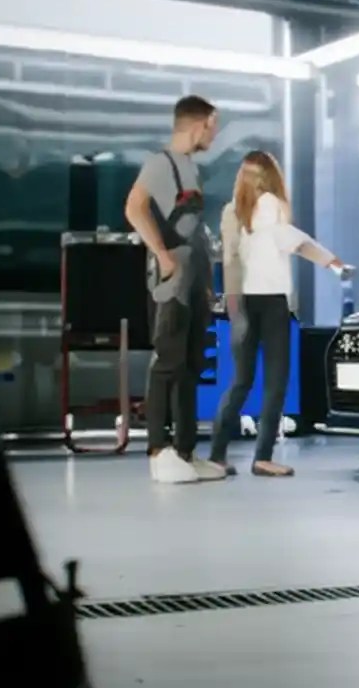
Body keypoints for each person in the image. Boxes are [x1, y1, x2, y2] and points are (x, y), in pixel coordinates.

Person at [210, 150, 348, 477]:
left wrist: (232, 306)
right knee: (275, 382)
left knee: (240, 381)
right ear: (271, 177)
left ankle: (216, 455)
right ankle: (262, 457)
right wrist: (332, 261)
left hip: (242, 301)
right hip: (271, 302)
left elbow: (228, 261)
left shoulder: (231, 212)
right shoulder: (273, 205)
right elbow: (296, 243)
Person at [124, 95, 226, 484]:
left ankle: (185, 451)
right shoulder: (159, 163)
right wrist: (162, 254)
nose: (214, 135)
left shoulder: (189, 167)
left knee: (190, 365)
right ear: (203, 122)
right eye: (214, 127)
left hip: (194, 280)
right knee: (167, 363)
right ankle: (157, 451)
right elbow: (134, 208)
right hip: (172, 282)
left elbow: (193, 228)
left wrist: (206, 284)